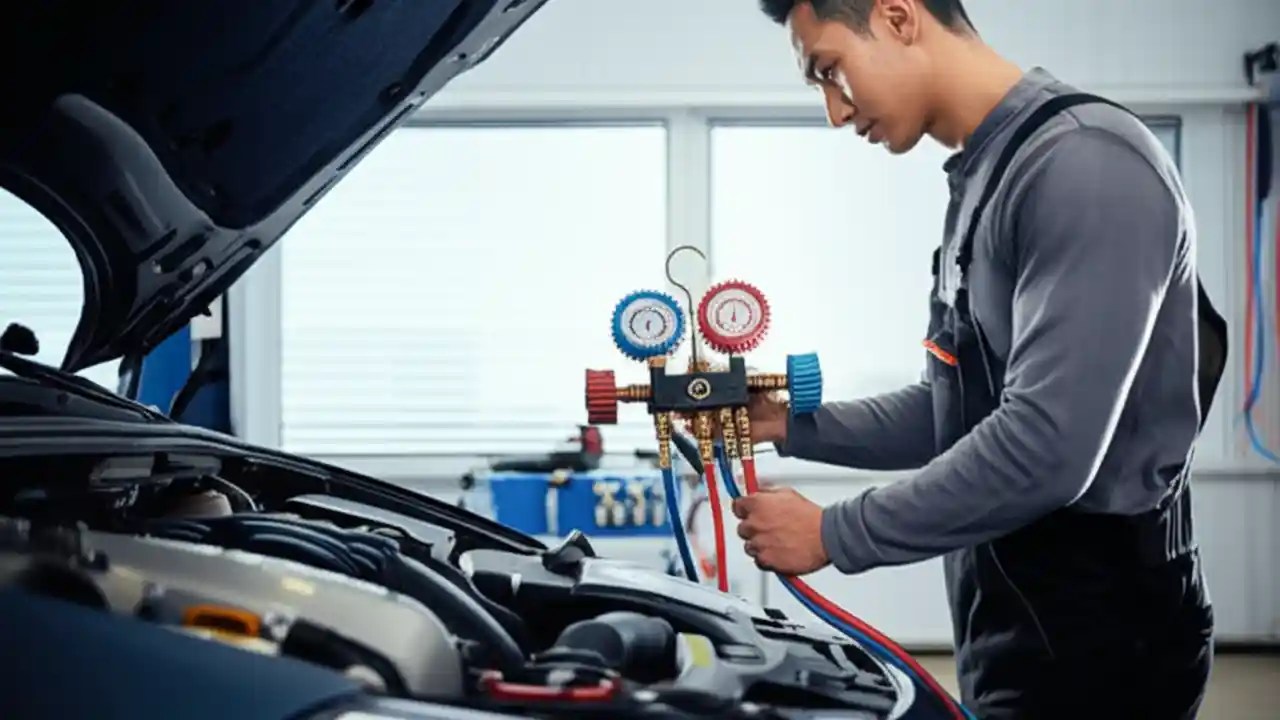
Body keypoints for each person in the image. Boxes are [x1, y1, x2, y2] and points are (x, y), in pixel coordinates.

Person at [730, 1, 1226, 718]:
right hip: (1014, 614)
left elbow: (1047, 444)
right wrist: (787, 424)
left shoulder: (1087, 167)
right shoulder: (989, 177)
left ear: (898, 17)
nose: (835, 113)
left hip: (1102, 639)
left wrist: (833, 533)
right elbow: (955, 408)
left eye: (831, 71)